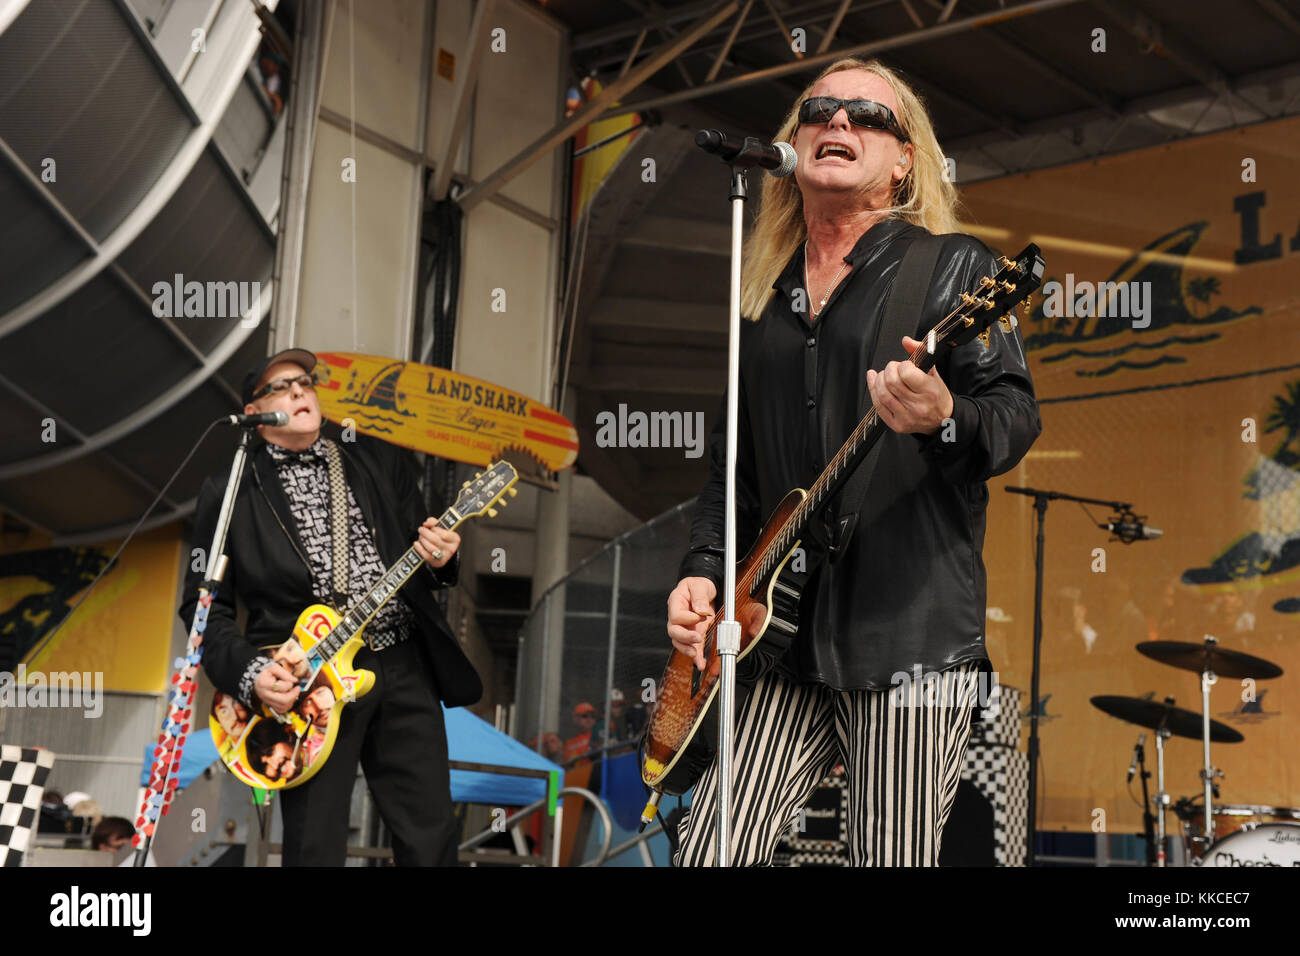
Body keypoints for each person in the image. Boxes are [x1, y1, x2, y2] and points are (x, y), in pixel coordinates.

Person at [665, 58, 1040, 866]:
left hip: (909, 640)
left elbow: (1012, 420)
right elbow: (734, 470)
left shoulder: (952, 268)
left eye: (868, 116)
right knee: (708, 852)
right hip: (775, 640)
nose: (838, 123)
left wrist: (945, 417)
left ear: (905, 159)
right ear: (793, 145)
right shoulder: (762, 295)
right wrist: (703, 567)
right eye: (819, 110)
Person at [181, 347, 482, 866]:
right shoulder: (231, 488)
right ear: (254, 414)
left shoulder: (375, 457)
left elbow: (425, 553)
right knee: (315, 844)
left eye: (305, 381)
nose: (299, 390)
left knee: (431, 833)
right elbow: (203, 607)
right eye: (281, 386)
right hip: (307, 679)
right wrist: (252, 672)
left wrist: (441, 559)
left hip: (402, 658)